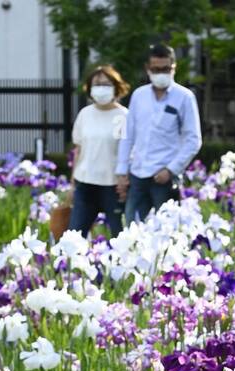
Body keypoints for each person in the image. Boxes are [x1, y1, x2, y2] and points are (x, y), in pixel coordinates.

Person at [115, 43, 202, 224]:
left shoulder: (184, 97)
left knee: (166, 229)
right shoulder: (139, 95)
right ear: (148, 69)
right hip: (138, 174)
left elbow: (193, 140)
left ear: (173, 68)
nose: (161, 73)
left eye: (165, 69)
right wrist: (122, 170)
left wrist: (171, 170)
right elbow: (127, 134)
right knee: (133, 228)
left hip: (164, 176)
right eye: (156, 69)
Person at [69, 66, 129, 237]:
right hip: (85, 183)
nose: (101, 88)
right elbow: (78, 149)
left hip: (113, 186)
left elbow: (129, 152)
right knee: (74, 236)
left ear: (116, 87)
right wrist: (73, 185)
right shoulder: (85, 114)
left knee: (120, 236)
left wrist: (125, 180)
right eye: (97, 84)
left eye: (106, 84)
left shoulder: (123, 116)